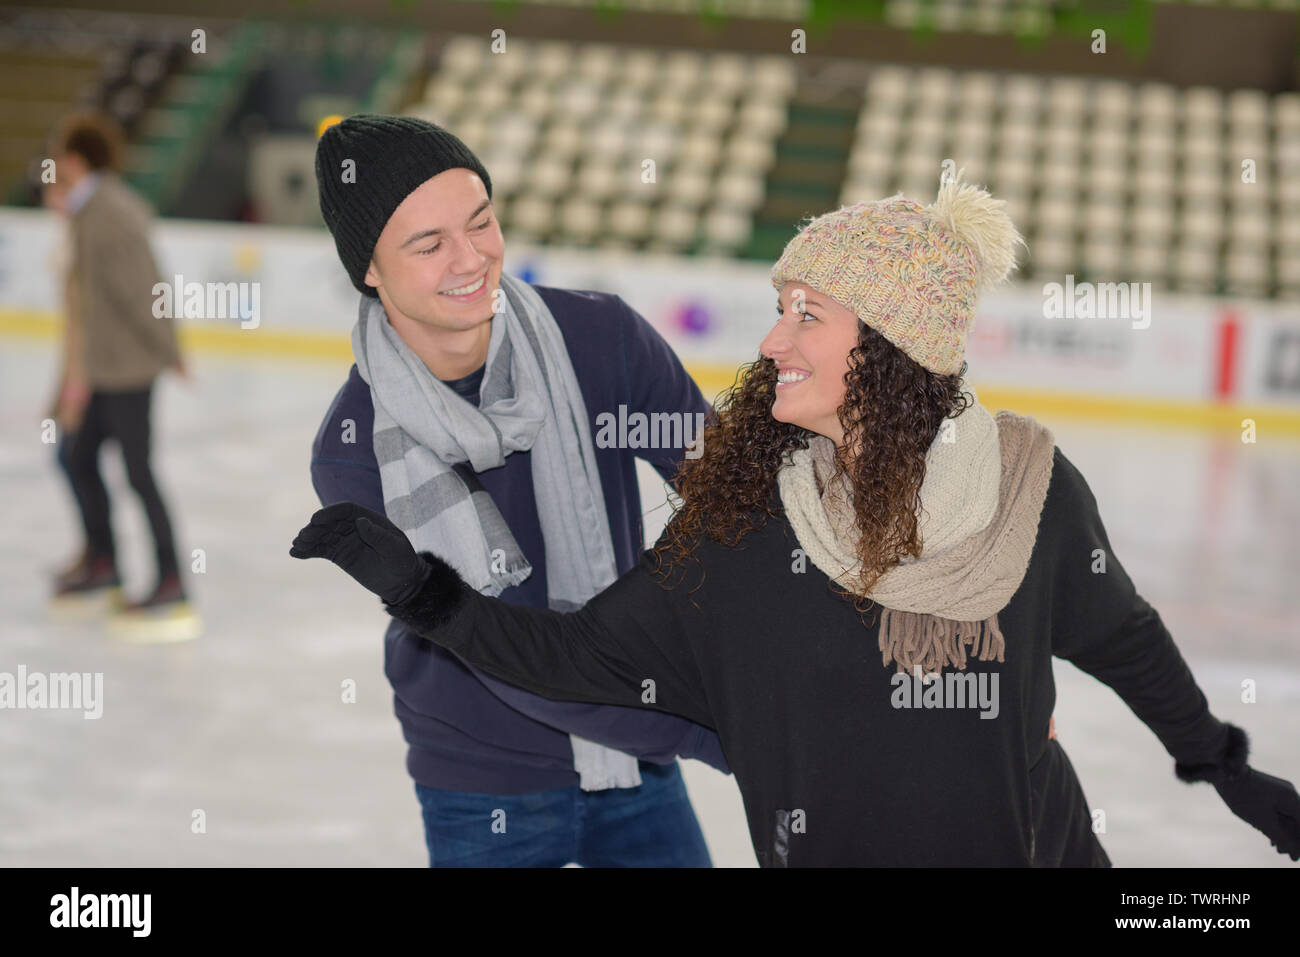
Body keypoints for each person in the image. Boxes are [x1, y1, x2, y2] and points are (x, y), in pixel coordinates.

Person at [294, 172, 1300, 866]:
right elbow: (575, 661)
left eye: (809, 314)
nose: (772, 338)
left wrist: (1221, 765)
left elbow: (1120, 636)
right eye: (782, 305)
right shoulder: (744, 530)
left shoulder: (1026, 486)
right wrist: (421, 590)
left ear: (895, 350)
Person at [307, 114, 727, 868]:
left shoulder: (603, 342)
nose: (472, 258)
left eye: (481, 222)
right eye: (429, 244)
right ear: (368, 269)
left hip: (636, 758)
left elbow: (735, 497)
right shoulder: (355, 455)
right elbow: (482, 647)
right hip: (482, 778)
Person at [46, 110, 199, 643]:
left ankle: (173, 578)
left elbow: (143, 292)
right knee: (75, 455)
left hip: (127, 369)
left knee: (137, 471)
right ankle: (103, 561)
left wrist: (170, 349)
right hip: (103, 368)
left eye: (61, 158)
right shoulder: (89, 210)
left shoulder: (111, 212)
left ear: (75, 159)